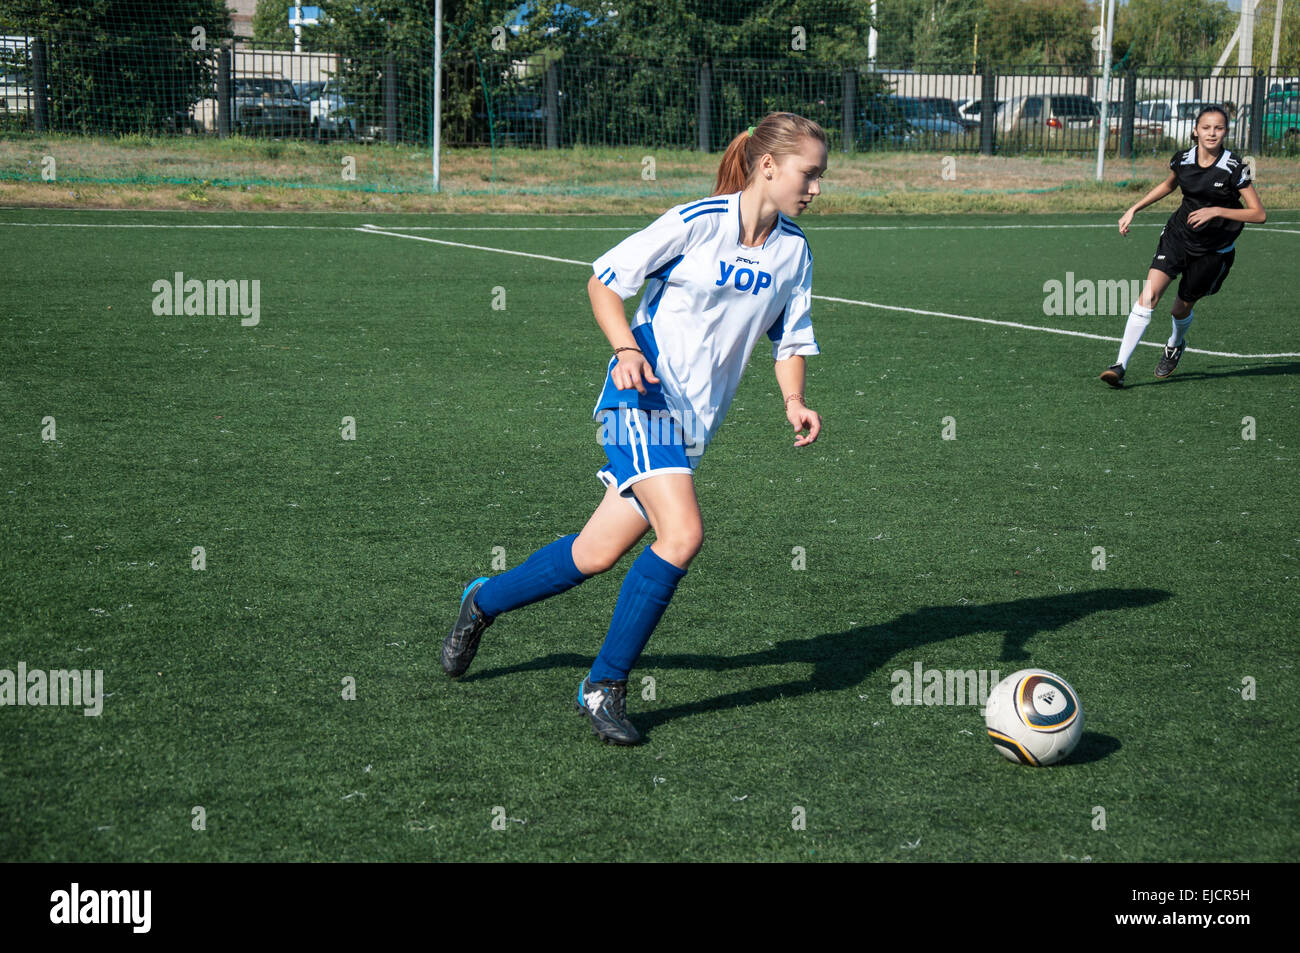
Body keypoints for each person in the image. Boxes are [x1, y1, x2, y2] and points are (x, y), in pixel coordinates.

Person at [442, 111, 828, 745]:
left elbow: (789, 336)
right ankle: (604, 685)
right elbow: (603, 282)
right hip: (642, 400)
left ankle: (481, 602)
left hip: (695, 422)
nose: (815, 189)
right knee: (682, 535)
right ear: (769, 166)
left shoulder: (794, 252)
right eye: (808, 174)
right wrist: (626, 351)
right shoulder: (696, 223)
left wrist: (793, 400)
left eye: (819, 177)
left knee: (593, 554)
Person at [1100, 104, 1266, 387]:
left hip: (1214, 251)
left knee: (1179, 309)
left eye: (1219, 128)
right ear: (1195, 130)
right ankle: (1119, 365)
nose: (1212, 133)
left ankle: (1175, 343)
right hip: (1178, 236)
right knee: (1148, 296)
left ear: (1226, 131)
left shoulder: (1235, 167)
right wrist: (1134, 208)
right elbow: (1168, 185)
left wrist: (1217, 211)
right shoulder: (1183, 159)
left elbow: (1259, 214)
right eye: (1206, 127)